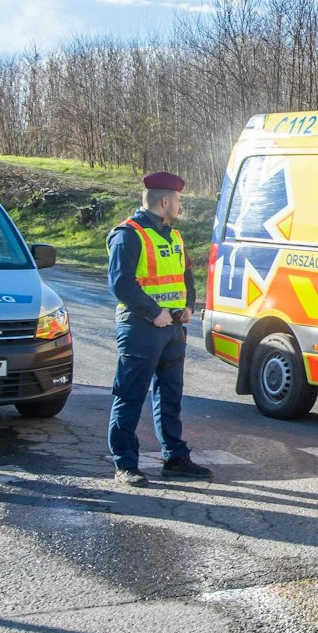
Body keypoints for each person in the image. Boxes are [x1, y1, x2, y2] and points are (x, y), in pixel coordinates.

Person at [106, 172, 209, 485]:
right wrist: (155, 312)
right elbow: (121, 283)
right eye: (177, 200)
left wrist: (189, 305)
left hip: (173, 328)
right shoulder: (128, 234)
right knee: (130, 396)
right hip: (140, 327)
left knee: (170, 396)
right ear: (165, 201)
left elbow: (186, 274)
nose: (180, 206)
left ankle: (175, 458)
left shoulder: (173, 236)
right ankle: (125, 465)